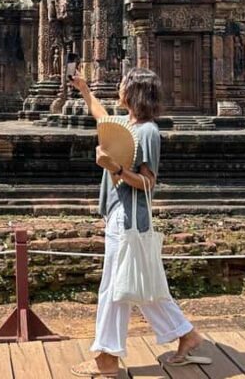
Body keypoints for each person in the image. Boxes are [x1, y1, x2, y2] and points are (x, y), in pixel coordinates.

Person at [69, 67, 209, 377]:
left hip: (130, 218)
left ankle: (106, 358)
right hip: (119, 215)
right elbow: (101, 117)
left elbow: (148, 182)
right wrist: (84, 90)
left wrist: (116, 169)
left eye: (121, 86)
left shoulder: (147, 131)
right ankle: (187, 335)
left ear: (133, 93)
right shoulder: (125, 124)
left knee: (115, 288)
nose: (117, 90)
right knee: (140, 285)